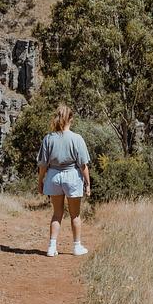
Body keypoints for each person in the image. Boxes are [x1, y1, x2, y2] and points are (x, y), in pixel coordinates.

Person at [36, 104, 91, 257]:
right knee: (75, 214)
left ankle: (51, 247)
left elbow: (43, 165)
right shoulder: (77, 138)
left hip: (53, 176)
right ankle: (76, 246)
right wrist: (88, 184)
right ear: (71, 119)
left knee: (57, 213)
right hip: (72, 176)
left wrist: (41, 181)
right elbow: (83, 164)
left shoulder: (48, 138)